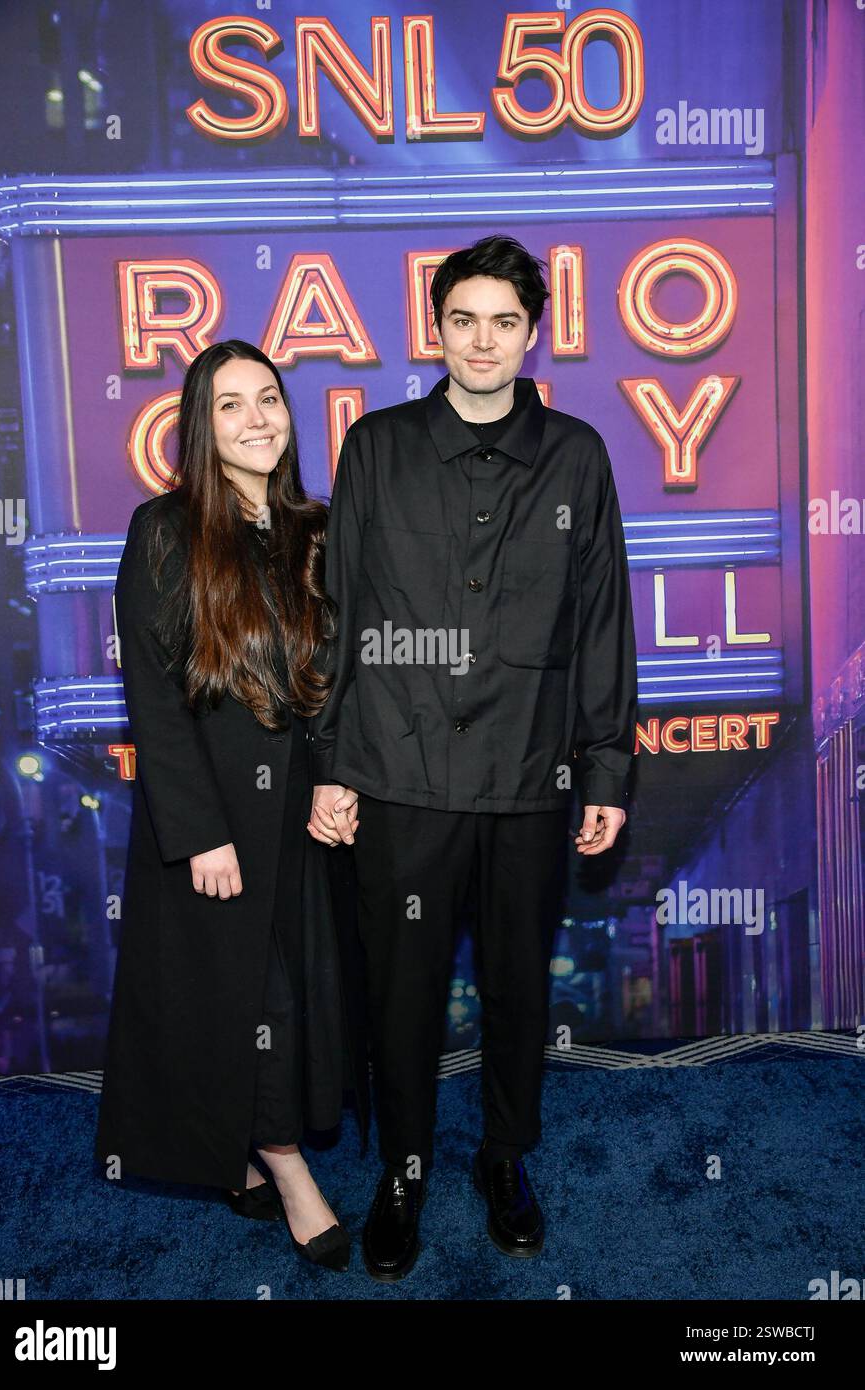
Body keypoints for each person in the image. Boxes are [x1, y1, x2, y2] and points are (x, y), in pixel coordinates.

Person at [306, 235, 638, 1281]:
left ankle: (505, 1158)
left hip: (532, 780)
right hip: (400, 778)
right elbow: (341, 618)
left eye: (505, 321)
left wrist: (606, 770)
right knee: (400, 996)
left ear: (532, 332)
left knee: (516, 990)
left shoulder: (578, 454)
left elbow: (601, 626)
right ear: (435, 328)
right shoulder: (378, 448)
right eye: (464, 319)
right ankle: (400, 1173)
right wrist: (332, 761)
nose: (484, 339)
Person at [94, 340, 367, 1273]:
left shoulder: (317, 529)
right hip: (210, 817)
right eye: (230, 406)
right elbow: (156, 703)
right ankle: (290, 1173)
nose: (257, 419)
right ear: (200, 428)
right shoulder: (164, 530)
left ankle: (253, 1149)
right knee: (247, 1000)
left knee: (291, 996)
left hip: (300, 816)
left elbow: (338, 679)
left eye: (270, 399)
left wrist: (336, 778)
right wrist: (200, 833)